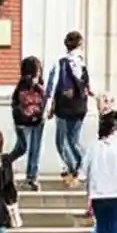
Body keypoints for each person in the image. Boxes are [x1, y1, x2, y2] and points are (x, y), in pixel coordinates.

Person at [45, 30, 91, 178]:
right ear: (80, 44)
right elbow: (87, 87)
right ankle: (82, 166)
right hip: (79, 108)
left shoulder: (61, 63)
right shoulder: (82, 64)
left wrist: (48, 105)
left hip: (63, 108)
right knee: (73, 140)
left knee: (61, 142)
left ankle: (75, 167)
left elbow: (51, 86)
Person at [10, 56, 46, 191]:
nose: (39, 71)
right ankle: (5, 161)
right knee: (22, 148)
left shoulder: (40, 84)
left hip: (38, 121)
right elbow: (18, 102)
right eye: (37, 68)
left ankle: (32, 177)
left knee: (35, 149)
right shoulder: (23, 85)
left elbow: (45, 97)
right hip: (23, 122)